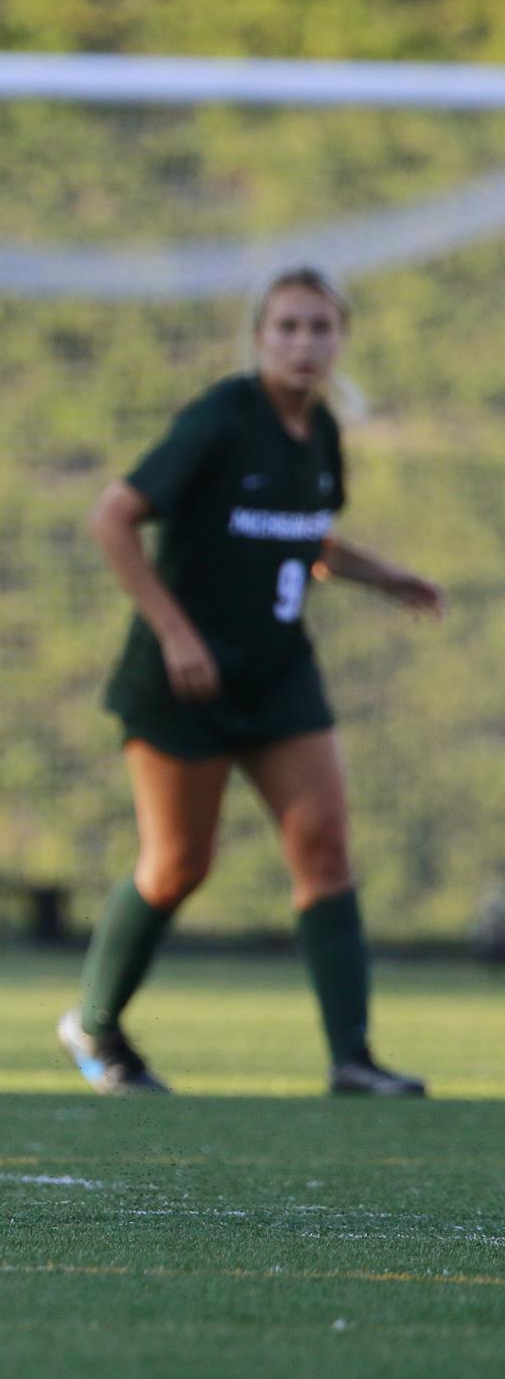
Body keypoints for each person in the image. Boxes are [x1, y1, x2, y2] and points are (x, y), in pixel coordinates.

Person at [61, 266, 442, 1098]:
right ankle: (94, 1025)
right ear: (260, 337)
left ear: (341, 338)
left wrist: (388, 577)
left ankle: (353, 1058)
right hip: (181, 682)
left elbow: (306, 539)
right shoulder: (219, 420)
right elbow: (112, 517)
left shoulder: (322, 432)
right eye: (287, 327)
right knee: (177, 866)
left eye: (319, 328)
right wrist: (174, 632)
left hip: (277, 679)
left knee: (325, 849)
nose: (304, 343)